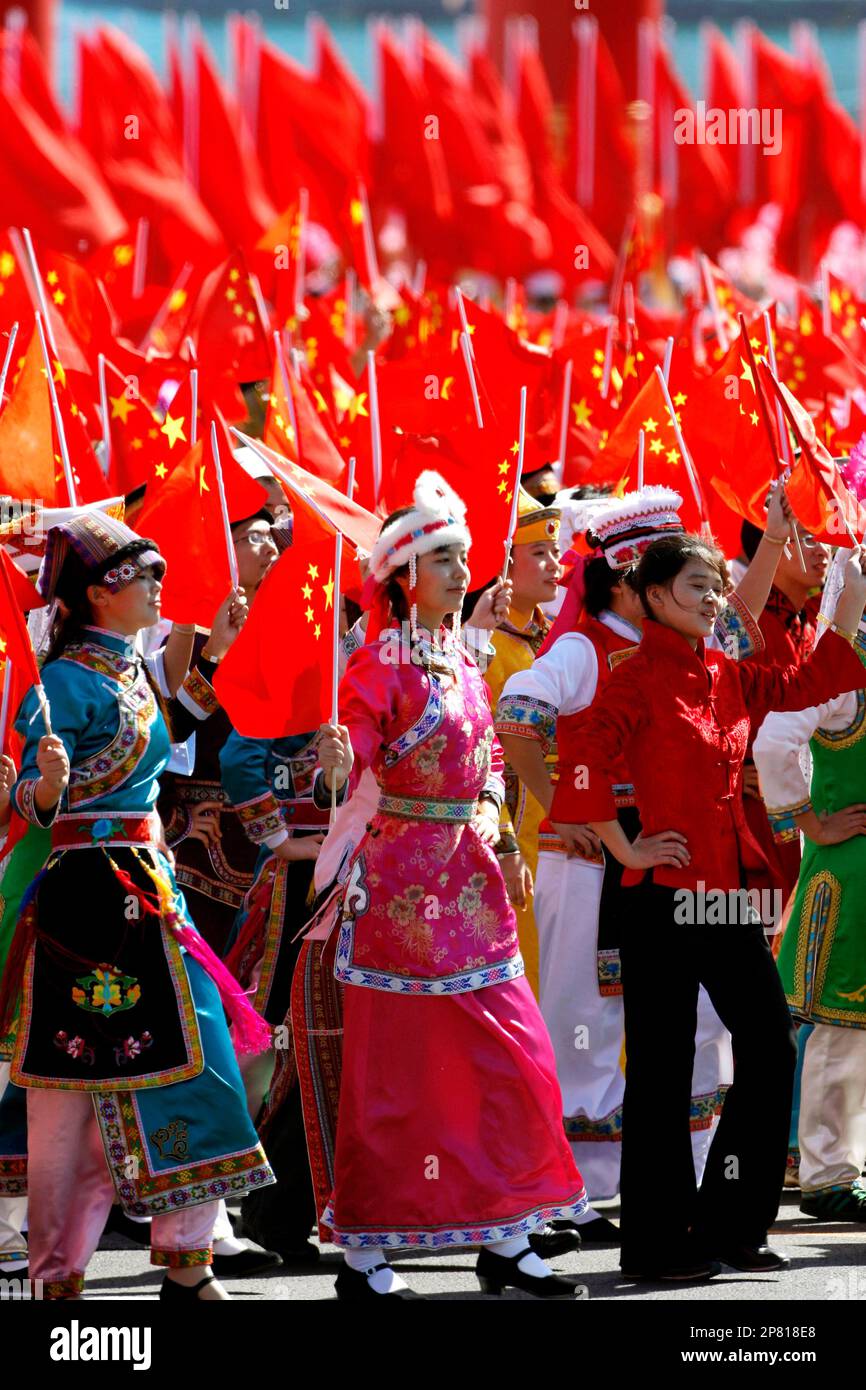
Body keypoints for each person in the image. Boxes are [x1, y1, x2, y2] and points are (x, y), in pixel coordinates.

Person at [549, 519, 866, 1282]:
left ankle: (732, 1221)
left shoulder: (726, 674)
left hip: (726, 899)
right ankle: (657, 1245)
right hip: (660, 899)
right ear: (654, 595)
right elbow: (582, 755)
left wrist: (847, 602)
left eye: (715, 586)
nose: (712, 597)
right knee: (659, 1071)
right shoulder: (633, 675)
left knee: (765, 1044)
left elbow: (811, 684)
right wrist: (625, 844)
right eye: (698, 585)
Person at [312, 472, 588, 1300]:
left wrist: (501, 830)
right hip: (397, 890)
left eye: (464, 558)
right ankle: (365, 1255)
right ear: (403, 576)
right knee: (397, 1079)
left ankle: (506, 1235)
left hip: (472, 882)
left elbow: (491, 761)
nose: (463, 572)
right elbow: (352, 759)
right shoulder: (372, 664)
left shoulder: (463, 656)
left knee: (511, 1055)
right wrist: (335, 765)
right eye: (443, 560)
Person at [0, 513, 275, 1300]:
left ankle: (189, 1262)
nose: (158, 585)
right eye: (141, 575)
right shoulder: (59, 683)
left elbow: (165, 734)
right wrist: (44, 787)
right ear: (97, 593)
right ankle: (60, 1275)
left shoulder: (127, 671)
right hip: (85, 898)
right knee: (73, 1089)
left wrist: (216, 651)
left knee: (202, 1062)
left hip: (151, 891)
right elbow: (29, 795)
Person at [497, 488, 734, 1230]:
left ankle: (693, 1172)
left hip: (681, 851)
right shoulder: (582, 647)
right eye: (673, 576)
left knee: (700, 1013)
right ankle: (586, 1186)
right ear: (632, 582)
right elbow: (518, 714)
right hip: (596, 855)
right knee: (586, 1015)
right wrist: (563, 809)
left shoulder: (693, 650)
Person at [753, 545, 866, 1223]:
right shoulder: (845, 672)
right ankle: (826, 1172)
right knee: (841, 1026)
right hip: (849, 873)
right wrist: (807, 820)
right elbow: (771, 740)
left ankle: (843, 1162)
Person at [482, 488, 561, 997]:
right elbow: (484, 760)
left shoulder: (557, 637)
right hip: (516, 837)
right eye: (540, 553)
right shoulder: (484, 649)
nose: (556, 564)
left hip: (566, 833)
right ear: (505, 563)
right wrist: (506, 846)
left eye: (556, 552)